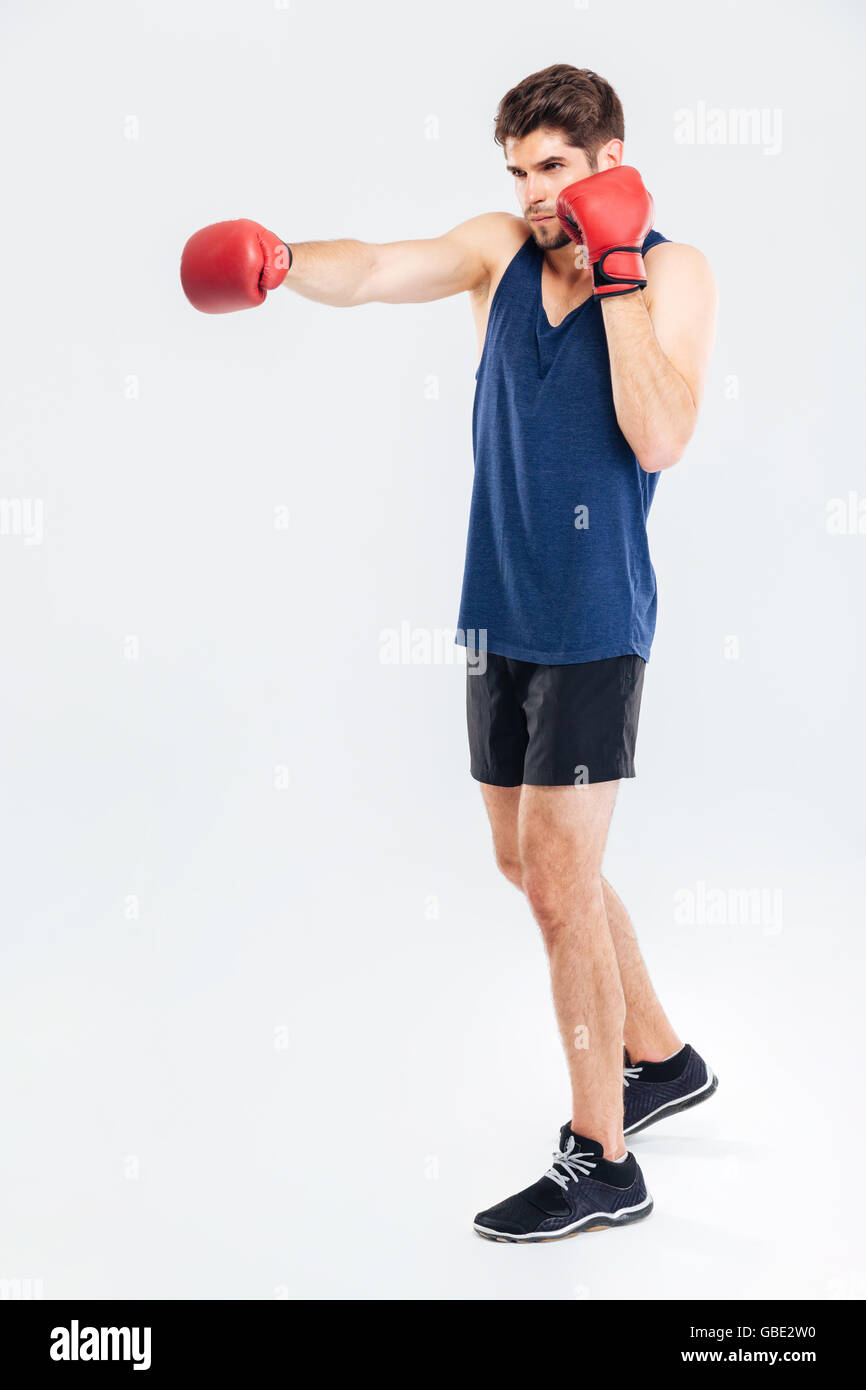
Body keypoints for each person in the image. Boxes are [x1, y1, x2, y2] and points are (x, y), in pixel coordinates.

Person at [180, 63, 719, 1244]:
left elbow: (661, 433)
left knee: (560, 885)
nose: (533, 193)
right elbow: (373, 267)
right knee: (528, 867)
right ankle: (661, 1058)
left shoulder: (671, 271)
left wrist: (617, 272)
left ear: (611, 158)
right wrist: (282, 260)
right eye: (519, 170)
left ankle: (601, 1157)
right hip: (493, 609)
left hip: (590, 621)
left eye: (555, 169)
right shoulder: (498, 254)